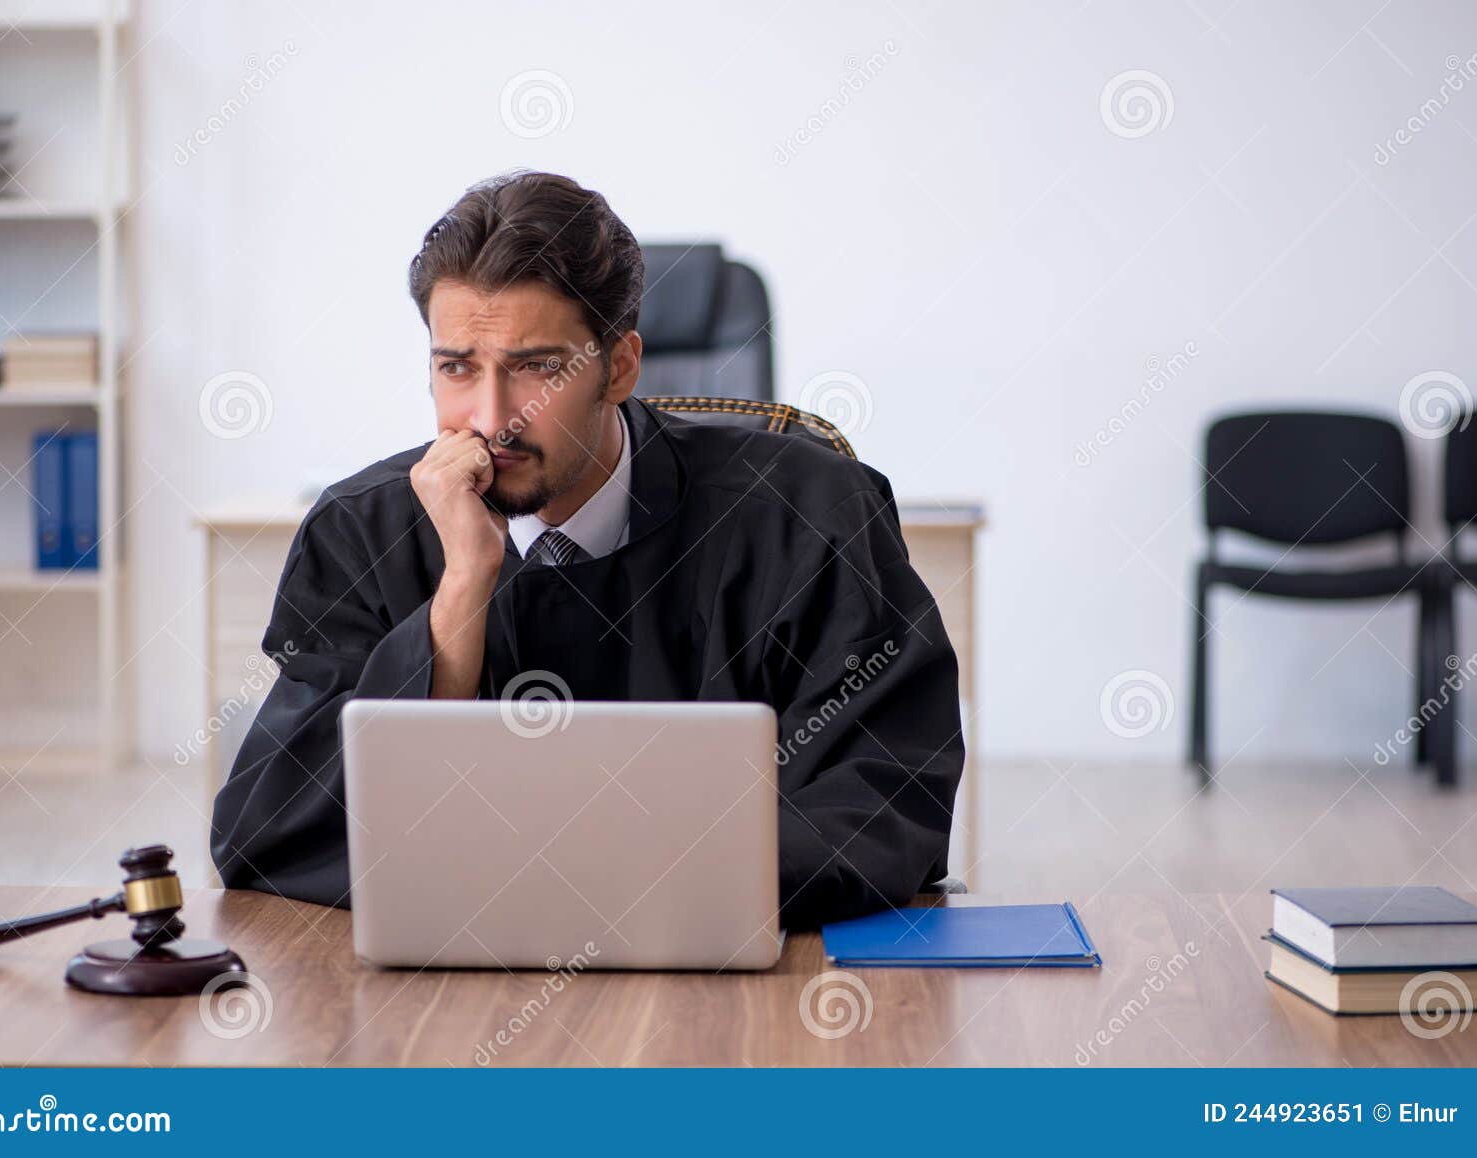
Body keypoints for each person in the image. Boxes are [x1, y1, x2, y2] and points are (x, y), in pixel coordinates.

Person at [211, 171, 963, 928]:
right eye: (457, 367)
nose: (492, 417)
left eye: (537, 367)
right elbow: (266, 829)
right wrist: (463, 591)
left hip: (727, 984)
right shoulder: (359, 531)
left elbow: (884, 795)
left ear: (621, 367)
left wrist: (607, 883)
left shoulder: (807, 514)